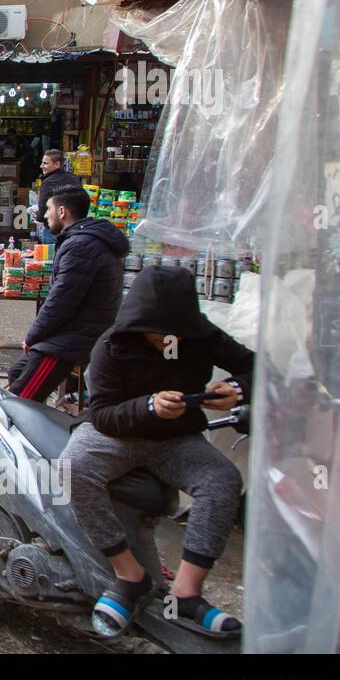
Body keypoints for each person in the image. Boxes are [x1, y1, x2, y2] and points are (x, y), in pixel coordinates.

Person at [62, 265, 252, 639]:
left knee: (223, 479)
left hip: (176, 439)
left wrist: (238, 388)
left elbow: (257, 367)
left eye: (175, 332)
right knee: (72, 467)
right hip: (116, 434)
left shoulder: (203, 337)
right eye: (157, 331)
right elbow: (102, 415)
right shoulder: (111, 346)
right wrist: (148, 406)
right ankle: (128, 575)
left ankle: (186, 592)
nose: (167, 339)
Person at [0, 186, 128, 465]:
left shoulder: (82, 245)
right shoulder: (86, 240)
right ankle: (2, 446)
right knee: (17, 372)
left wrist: (33, 335)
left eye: (48, 209)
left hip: (71, 342)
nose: (44, 215)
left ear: (63, 211)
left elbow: (61, 301)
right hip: (72, 334)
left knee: (19, 401)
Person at [35, 149, 81, 264]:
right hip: (73, 229)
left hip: (52, 230)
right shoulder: (74, 179)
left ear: (57, 164)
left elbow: (42, 210)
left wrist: (39, 217)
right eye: (42, 163)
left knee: (51, 265)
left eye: (46, 163)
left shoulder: (48, 182)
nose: (42, 166)